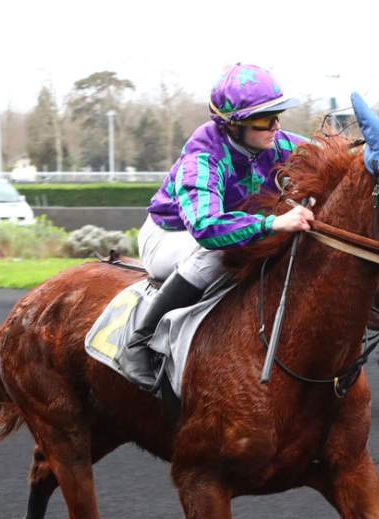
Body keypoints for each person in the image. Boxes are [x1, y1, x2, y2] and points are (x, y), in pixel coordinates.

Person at [118, 63, 316, 390]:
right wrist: (274, 222)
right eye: (265, 119)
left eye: (277, 115)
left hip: (228, 226)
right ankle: (139, 342)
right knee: (220, 255)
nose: (276, 126)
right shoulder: (203, 157)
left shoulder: (275, 142)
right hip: (171, 235)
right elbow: (206, 228)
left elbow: (327, 154)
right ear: (233, 124)